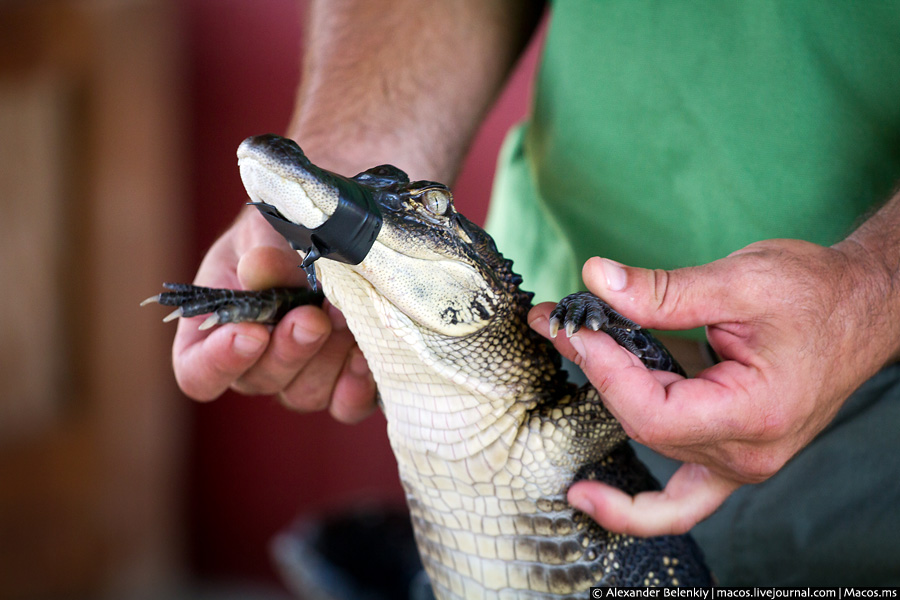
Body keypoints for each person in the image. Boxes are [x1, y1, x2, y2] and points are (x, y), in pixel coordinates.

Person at [173, 0, 900, 584]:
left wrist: (875, 287)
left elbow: (627, 395)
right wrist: (345, 164)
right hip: (573, 324)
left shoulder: (563, 424)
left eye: (416, 206)